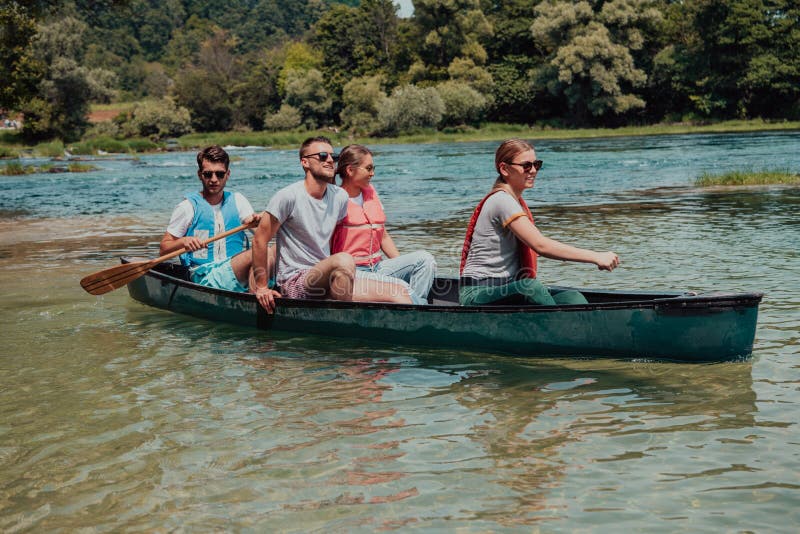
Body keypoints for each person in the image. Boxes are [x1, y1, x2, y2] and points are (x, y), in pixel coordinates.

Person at [251, 136, 413, 313]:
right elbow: (260, 240)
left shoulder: (339, 197)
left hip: (330, 277)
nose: (329, 160)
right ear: (305, 162)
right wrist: (262, 287)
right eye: (322, 156)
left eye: (332, 157)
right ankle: (341, 321)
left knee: (399, 293)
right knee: (344, 259)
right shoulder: (287, 197)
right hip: (296, 281)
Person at [460, 138, 620, 306]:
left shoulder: (514, 201)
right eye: (526, 166)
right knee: (530, 287)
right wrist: (596, 257)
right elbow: (541, 245)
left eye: (537, 164)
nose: (534, 170)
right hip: (479, 293)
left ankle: (581, 329)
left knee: (571, 298)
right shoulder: (502, 201)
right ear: (504, 169)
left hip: (509, 288)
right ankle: (556, 328)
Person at [331, 144, 436, 304]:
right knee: (401, 287)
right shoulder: (336, 200)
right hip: (353, 273)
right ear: (350, 170)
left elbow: (383, 236)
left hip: (378, 267)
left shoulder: (371, 193)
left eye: (373, 168)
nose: (372, 173)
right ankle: (421, 310)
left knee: (425, 260)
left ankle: (416, 308)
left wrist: (401, 266)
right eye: (368, 168)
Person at [160, 145, 261, 292]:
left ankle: (257, 293)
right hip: (204, 276)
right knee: (255, 254)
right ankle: (256, 300)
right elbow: (164, 249)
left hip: (236, 272)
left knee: (273, 250)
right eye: (208, 174)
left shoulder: (239, 200)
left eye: (219, 174)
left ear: (228, 174)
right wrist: (184, 241)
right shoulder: (187, 207)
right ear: (200, 174)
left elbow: (261, 236)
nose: (214, 179)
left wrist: (257, 225)